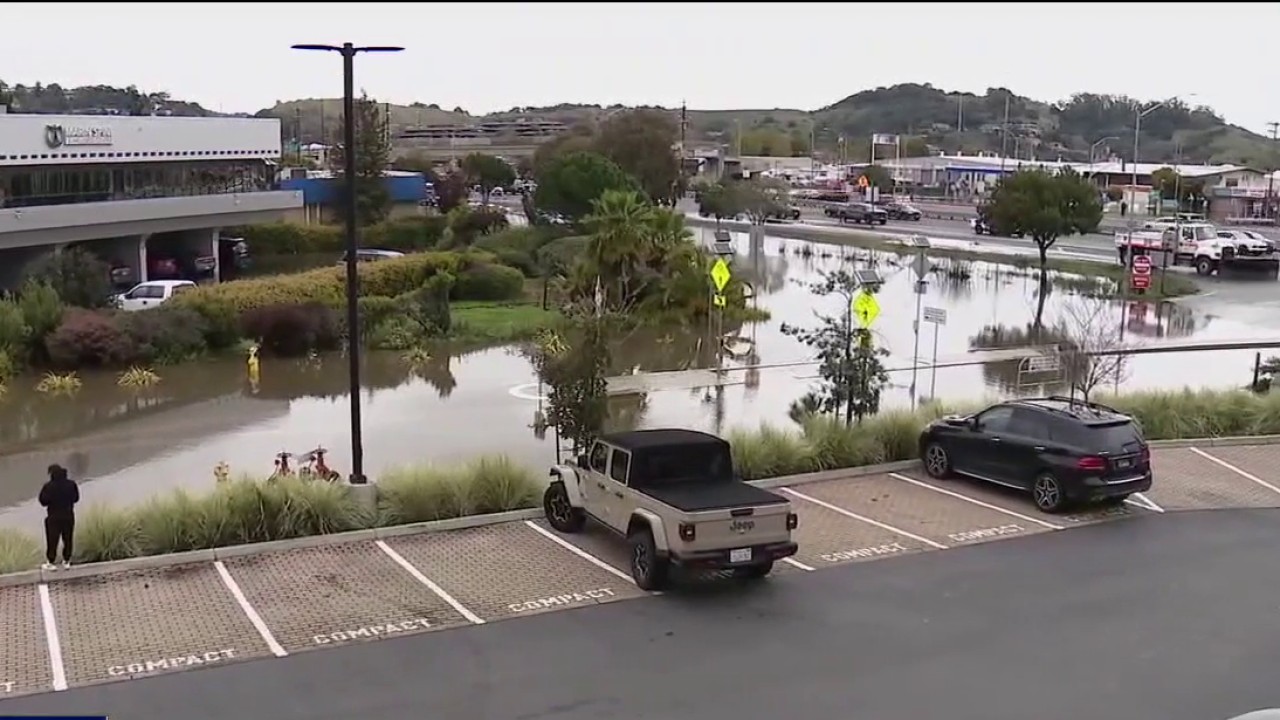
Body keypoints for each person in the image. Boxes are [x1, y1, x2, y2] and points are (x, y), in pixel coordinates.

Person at [37, 464, 79, 570]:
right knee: (68, 539)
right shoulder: (71, 484)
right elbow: (76, 498)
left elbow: (43, 501)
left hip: (53, 517)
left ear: (51, 473)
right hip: (68, 515)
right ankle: (66, 561)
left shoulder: (48, 486)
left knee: (52, 540)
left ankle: (51, 562)